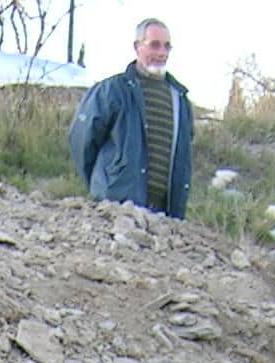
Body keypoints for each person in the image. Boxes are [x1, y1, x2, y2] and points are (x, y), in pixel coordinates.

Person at [67, 18, 192, 220]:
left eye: (167, 46)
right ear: (137, 46)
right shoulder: (112, 90)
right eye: (154, 45)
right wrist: (104, 183)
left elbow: (184, 158)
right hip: (115, 212)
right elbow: (82, 141)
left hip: (164, 219)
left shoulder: (180, 100)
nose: (162, 53)